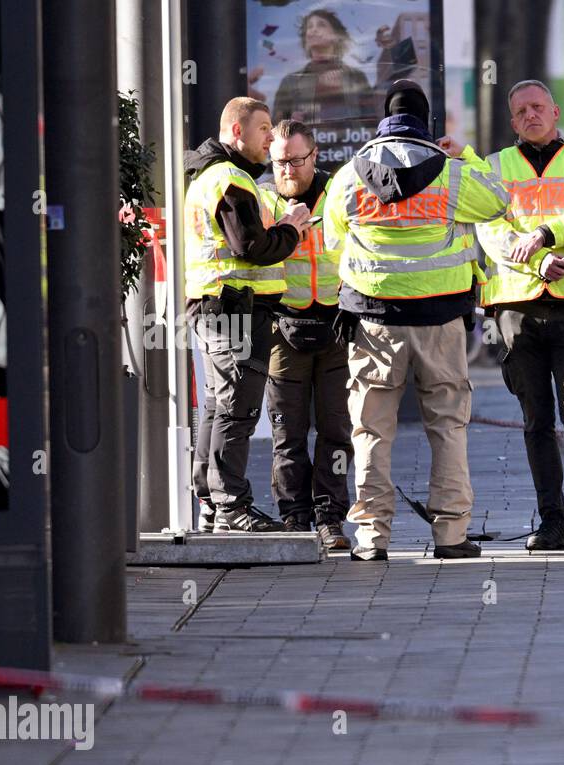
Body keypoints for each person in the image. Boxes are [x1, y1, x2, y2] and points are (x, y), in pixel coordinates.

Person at [324, 79, 508, 561]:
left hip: (371, 322)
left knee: (370, 432)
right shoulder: (451, 173)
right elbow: (499, 201)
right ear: (426, 124)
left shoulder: (348, 176)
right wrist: (466, 157)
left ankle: (370, 540)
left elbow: (330, 244)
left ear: (382, 121)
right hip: (440, 319)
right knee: (447, 427)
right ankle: (450, 536)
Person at [475, 79, 564, 553]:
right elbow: (490, 230)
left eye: (538, 107)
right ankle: (552, 521)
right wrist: (535, 260)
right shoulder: (495, 167)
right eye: (520, 111)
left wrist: (544, 233)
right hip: (516, 306)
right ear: (512, 120)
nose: (530, 116)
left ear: (556, 112)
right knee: (536, 420)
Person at [185, 97, 310, 533]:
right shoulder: (230, 178)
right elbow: (251, 248)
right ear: (237, 131)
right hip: (235, 307)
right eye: (263, 130)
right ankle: (231, 504)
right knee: (237, 408)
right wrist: (292, 229)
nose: (269, 139)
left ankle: (210, 498)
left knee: (220, 407)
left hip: (217, 305)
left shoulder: (208, 174)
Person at [259, 120, 353, 550]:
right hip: (284, 327)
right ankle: (295, 517)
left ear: (314, 156)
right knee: (287, 430)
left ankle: (330, 517)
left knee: (336, 428)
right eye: (279, 162)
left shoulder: (340, 194)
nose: (287, 170)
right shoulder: (261, 199)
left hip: (336, 325)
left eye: (296, 161)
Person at [270, 9, 377, 145]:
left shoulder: (356, 77)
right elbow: (275, 131)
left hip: (350, 153)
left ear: (336, 36)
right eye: (310, 27)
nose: (313, 30)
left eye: (321, 25)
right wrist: (290, 125)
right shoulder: (291, 82)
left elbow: (371, 125)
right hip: (305, 158)